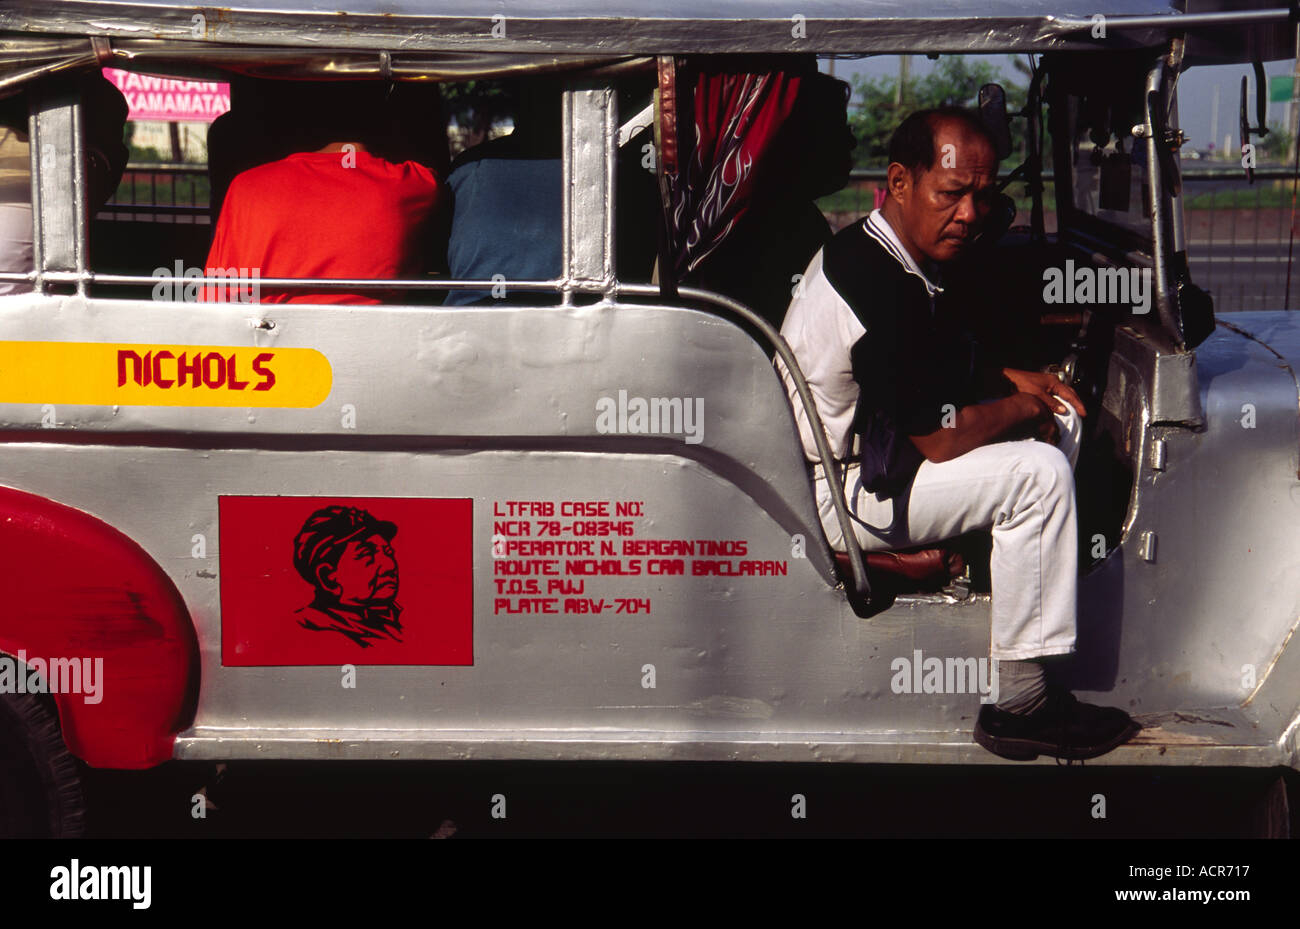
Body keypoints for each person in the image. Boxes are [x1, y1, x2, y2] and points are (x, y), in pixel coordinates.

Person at [774, 107, 1140, 761]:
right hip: (840, 490)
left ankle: (1006, 579)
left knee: (1054, 414)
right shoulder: (877, 286)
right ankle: (1022, 702)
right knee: (1039, 473)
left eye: (984, 195)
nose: (971, 215)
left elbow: (927, 364)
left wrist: (1014, 378)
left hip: (870, 461)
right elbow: (938, 439)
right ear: (901, 181)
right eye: (952, 194)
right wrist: (1020, 408)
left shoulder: (874, 248)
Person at [202, 82, 440, 304]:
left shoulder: (246, 187)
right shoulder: (413, 185)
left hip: (272, 343)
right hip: (376, 342)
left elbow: (214, 300)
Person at [292, 505, 402, 648]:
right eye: (366, 554)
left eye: (388, 552)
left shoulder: (399, 621)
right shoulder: (312, 630)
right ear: (328, 577)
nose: (390, 566)